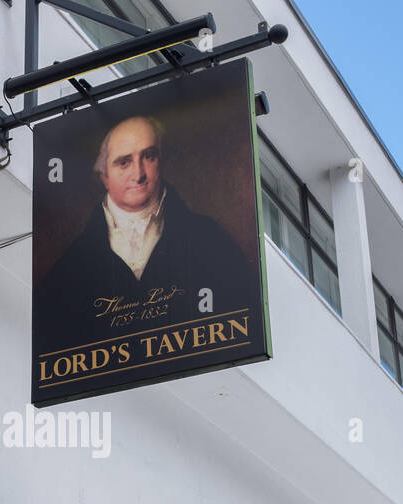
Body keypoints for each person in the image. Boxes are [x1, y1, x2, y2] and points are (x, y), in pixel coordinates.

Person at [34, 114, 257, 364]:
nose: (138, 173)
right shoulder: (68, 270)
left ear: (161, 161)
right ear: (102, 173)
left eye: (148, 156)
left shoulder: (211, 240)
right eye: (124, 162)